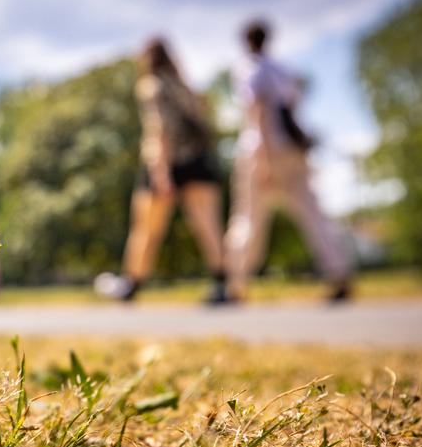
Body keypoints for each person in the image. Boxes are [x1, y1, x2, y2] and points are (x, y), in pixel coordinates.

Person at [224, 19, 353, 302]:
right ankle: (339, 271)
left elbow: (257, 115)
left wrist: (265, 161)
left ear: (246, 42)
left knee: (248, 219)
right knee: (313, 214)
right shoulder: (284, 72)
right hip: (293, 151)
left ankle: (235, 284)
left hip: (261, 151)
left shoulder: (250, 69)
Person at [101, 38, 228, 303]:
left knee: (146, 228)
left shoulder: (151, 86)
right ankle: (222, 282)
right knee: (207, 225)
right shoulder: (186, 88)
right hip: (198, 161)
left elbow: (159, 130)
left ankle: (131, 284)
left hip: (165, 161)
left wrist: (161, 173)